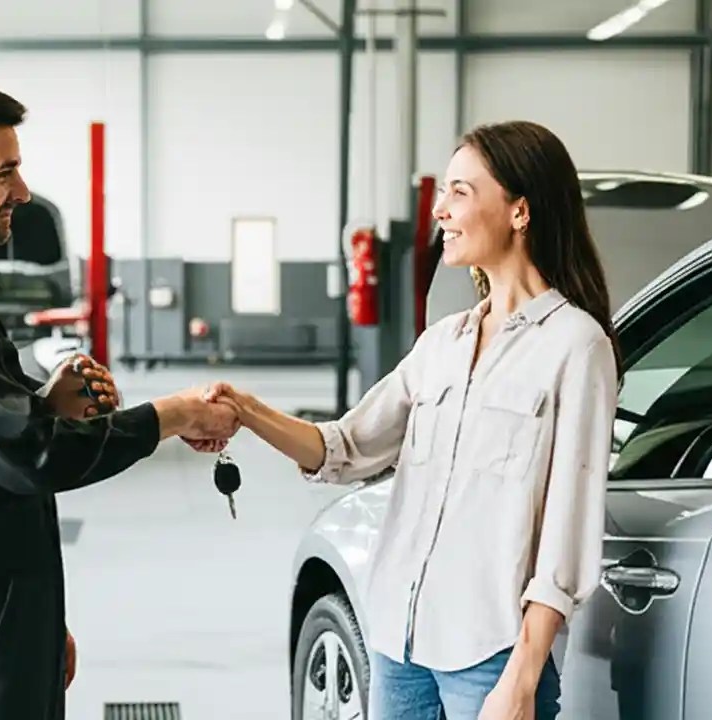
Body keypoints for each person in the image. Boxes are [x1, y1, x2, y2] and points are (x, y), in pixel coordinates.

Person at [0, 76, 239, 720]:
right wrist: (171, 415)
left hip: (2, 612)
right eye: (4, 174)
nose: (22, 194)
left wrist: (47, 400)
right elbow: (24, 455)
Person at [201, 120, 619, 720]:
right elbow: (345, 447)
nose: (441, 211)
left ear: (519, 211)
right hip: (399, 637)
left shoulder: (575, 347)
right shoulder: (444, 341)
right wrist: (247, 411)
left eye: (460, 192)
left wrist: (522, 678)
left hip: (489, 652)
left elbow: (568, 531)